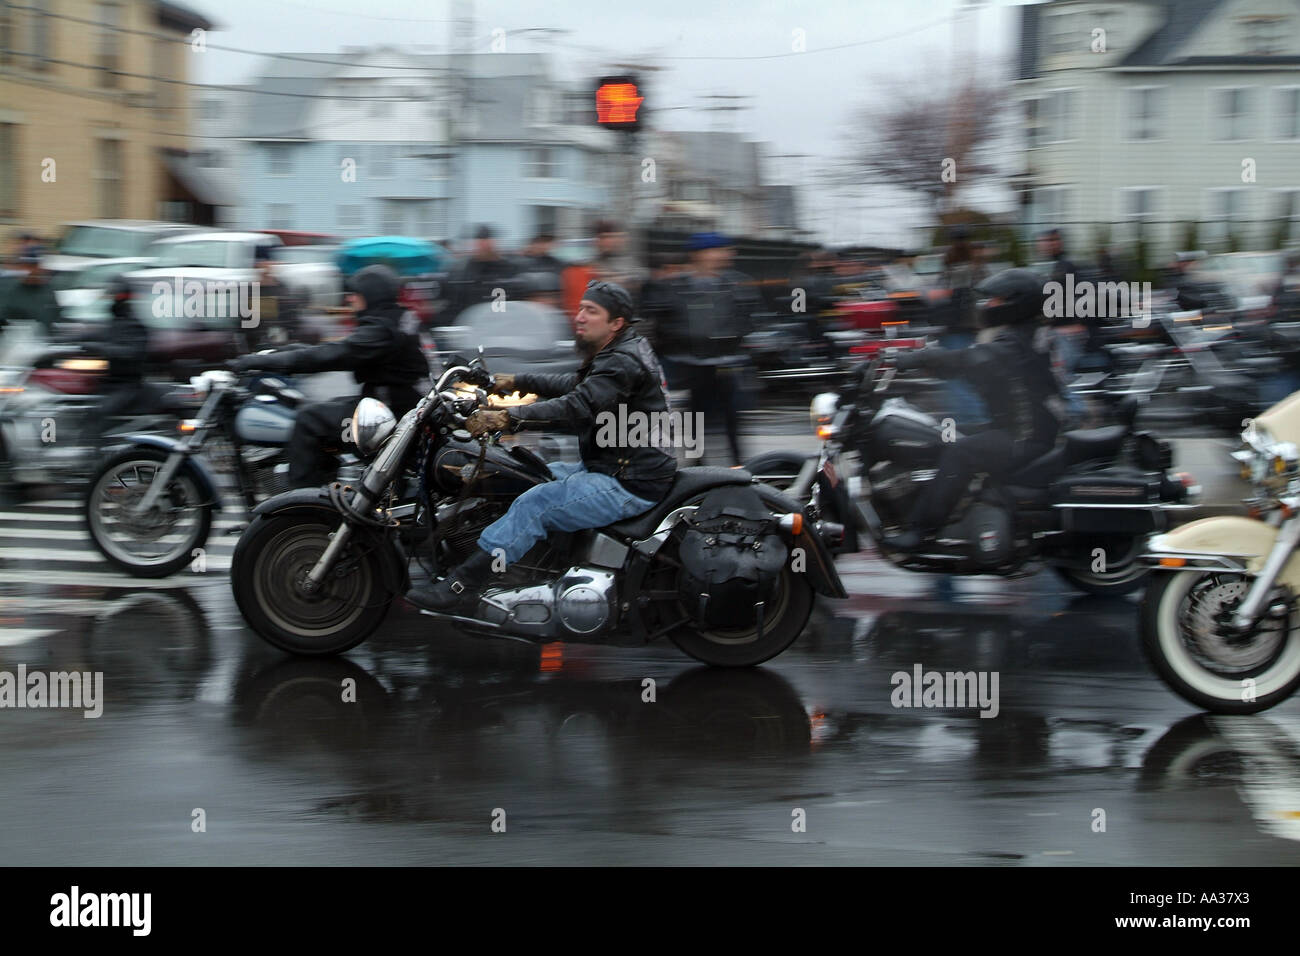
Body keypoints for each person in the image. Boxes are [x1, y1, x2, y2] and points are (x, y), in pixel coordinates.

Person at [405, 280, 676, 611]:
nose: (579, 317)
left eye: (591, 311)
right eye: (580, 308)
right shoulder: (618, 351)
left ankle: (463, 585)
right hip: (614, 465)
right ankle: (529, 571)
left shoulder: (621, 360)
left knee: (535, 503)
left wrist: (508, 419)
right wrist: (512, 381)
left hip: (629, 480)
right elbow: (572, 384)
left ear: (615, 323)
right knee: (527, 474)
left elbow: (579, 407)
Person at [884, 268, 1063, 552]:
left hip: (1025, 438)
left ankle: (921, 531)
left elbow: (971, 360)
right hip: (1027, 428)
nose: (988, 305)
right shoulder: (1028, 334)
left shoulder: (1014, 342)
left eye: (995, 300)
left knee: (961, 451)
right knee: (944, 434)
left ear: (1017, 302)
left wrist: (917, 358)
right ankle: (961, 510)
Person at [228, 264, 427, 488]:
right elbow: (336, 350)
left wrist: (259, 362)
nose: (350, 299)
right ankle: (328, 490)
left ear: (371, 295)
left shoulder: (381, 331)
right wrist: (281, 352)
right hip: (395, 411)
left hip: (389, 422)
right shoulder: (396, 320)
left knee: (309, 421)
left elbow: (331, 356)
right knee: (326, 410)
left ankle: (300, 508)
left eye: (355, 294)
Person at [644, 232, 758, 466]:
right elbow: (662, 324)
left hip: (725, 365)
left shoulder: (736, 284)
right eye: (717, 250)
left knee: (732, 423)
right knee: (695, 423)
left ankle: (738, 470)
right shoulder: (676, 287)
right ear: (699, 255)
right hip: (690, 367)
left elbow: (748, 319)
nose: (725, 255)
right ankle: (698, 475)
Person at [87, 276, 153, 439]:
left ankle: (93, 457)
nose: (109, 302)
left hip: (126, 385)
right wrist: (72, 339)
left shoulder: (134, 324)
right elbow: (98, 335)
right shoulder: (115, 322)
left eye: (112, 297)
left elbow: (131, 352)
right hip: (107, 382)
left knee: (98, 413)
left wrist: (102, 349)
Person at [442, 225, 519, 322]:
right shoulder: (462, 272)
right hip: (473, 325)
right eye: (480, 241)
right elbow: (455, 305)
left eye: (487, 240)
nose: (483, 245)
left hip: (503, 323)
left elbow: (516, 300)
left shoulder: (510, 269)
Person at [249, 245, 307, 349]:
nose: (263, 266)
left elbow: (292, 319)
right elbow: (245, 323)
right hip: (255, 345)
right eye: (259, 263)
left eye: (266, 262)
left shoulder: (282, 289)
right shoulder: (250, 290)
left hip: (279, 345)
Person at [0, 247, 61, 338]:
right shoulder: (9, 290)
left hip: (44, 345)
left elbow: (55, 320)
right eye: (29, 265)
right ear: (21, 267)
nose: (34, 270)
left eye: (38, 265)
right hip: (14, 345)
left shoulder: (49, 291)